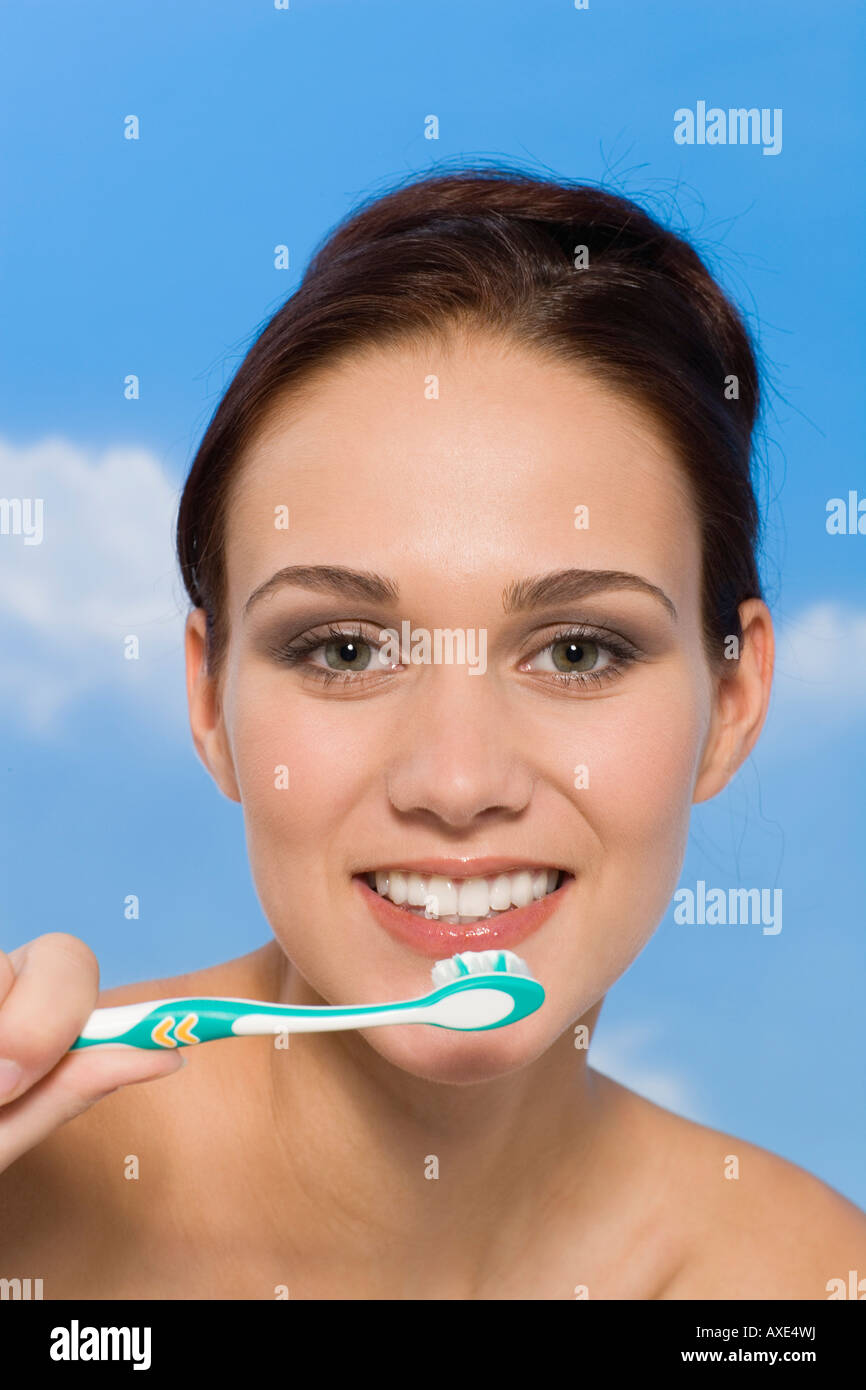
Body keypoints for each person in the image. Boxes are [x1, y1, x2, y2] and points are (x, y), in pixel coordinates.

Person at [1, 168, 863, 1299]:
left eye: (576, 651)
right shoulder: (30, 1199)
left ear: (732, 701)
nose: (457, 782)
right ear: (210, 702)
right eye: (345, 650)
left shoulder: (802, 1290)